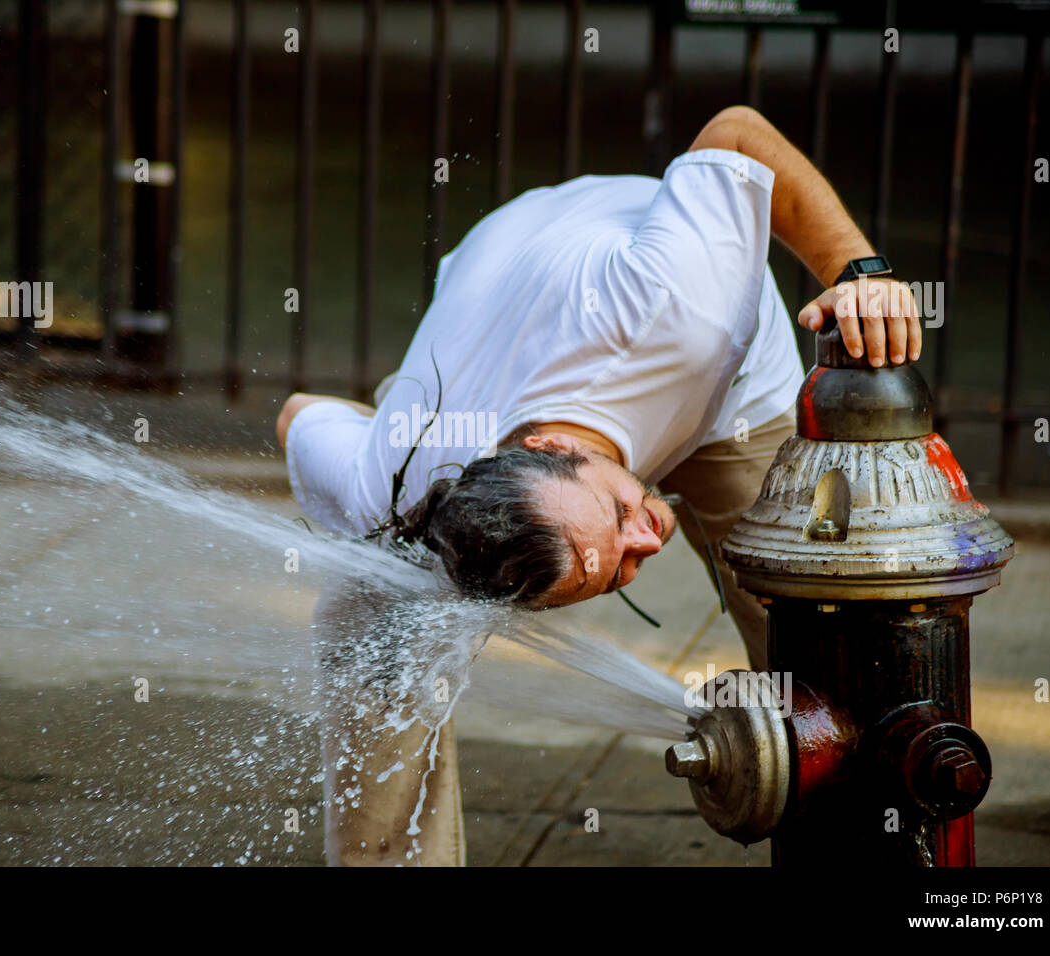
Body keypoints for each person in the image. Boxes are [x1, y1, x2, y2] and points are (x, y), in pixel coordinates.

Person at [277, 106, 921, 865]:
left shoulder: (677, 304)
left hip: (704, 365)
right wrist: (395, 451)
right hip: (496, 286)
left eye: (620, 512)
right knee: (374, 613)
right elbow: (294, 415)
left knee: (820, 628)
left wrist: (859, 275)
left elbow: (737, 133)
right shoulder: (395, 479)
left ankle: (879, 846)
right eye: (618, 567)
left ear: (550, 446)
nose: (653, 534)